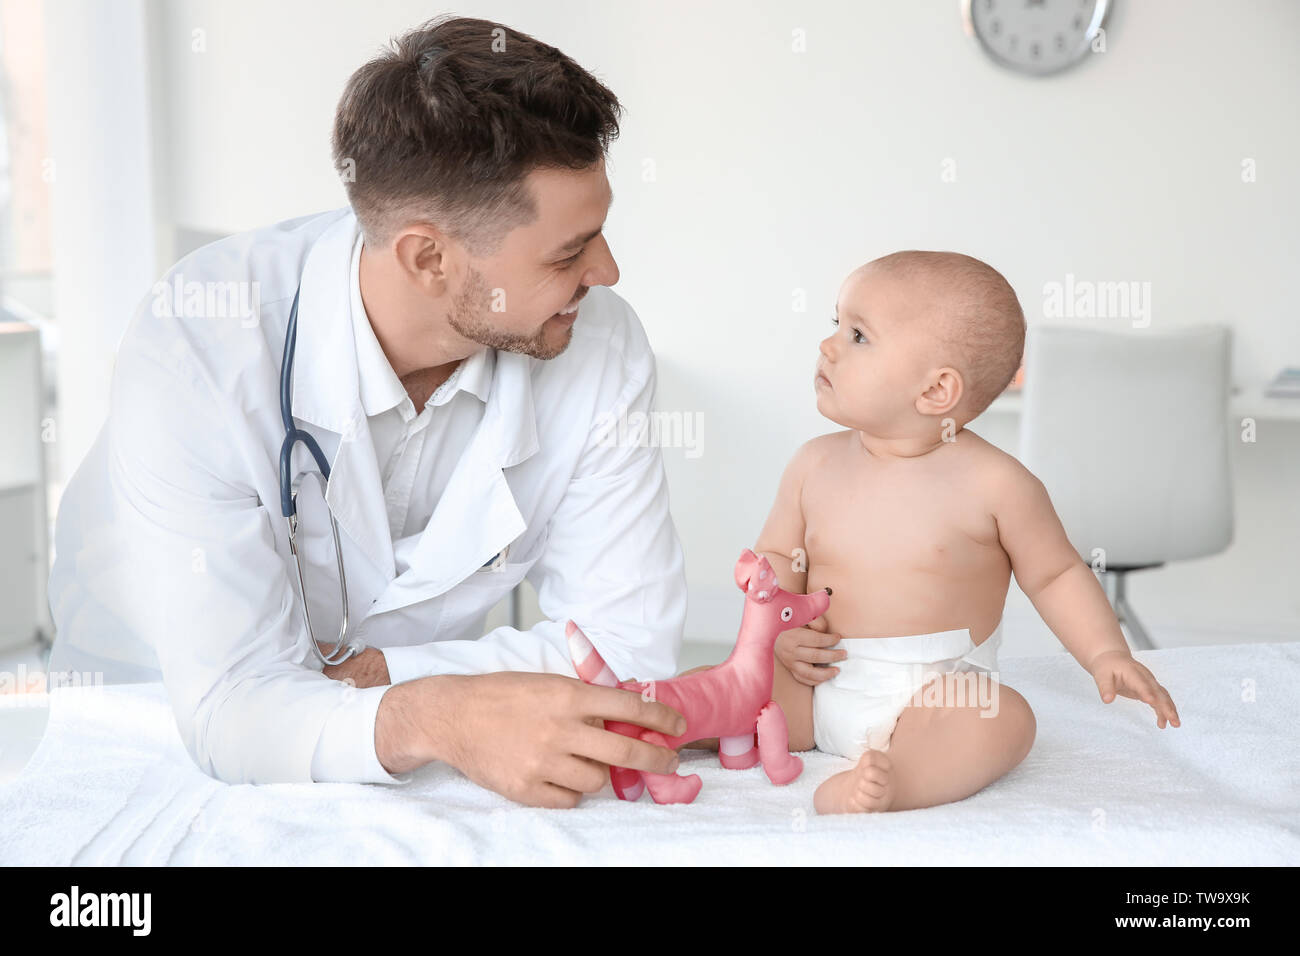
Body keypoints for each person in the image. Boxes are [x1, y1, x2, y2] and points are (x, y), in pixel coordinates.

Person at [47, 15, 689, 809]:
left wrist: (398, 686)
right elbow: (229, 709)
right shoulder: (202, 344)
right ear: (428, 257)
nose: (610, 271)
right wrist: (436, 710)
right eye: (568, 252)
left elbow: (627, 650)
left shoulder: (597, 343)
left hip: (387, 751)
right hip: (146, 718)